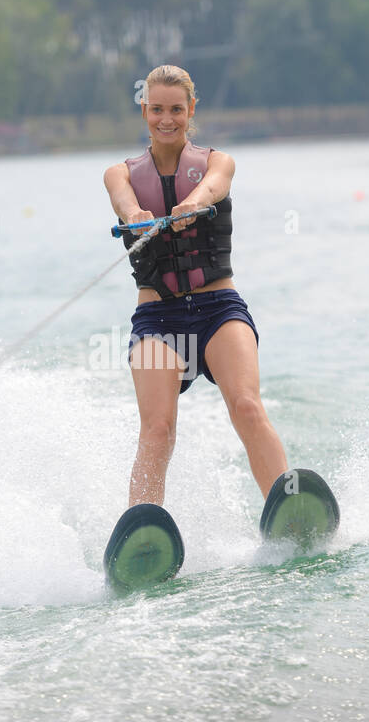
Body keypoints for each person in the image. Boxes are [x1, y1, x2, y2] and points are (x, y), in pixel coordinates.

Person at [102, 64, 288, 510]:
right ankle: (142, 530)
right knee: (158, 428)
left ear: (191, 111)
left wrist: (193, 203)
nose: (167, 119)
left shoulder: (217, 162)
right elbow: (124, 202)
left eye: (177, 110)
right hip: (157, 319)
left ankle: (287, 506)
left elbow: (214, 187)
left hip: (218, 308)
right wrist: (135, 216)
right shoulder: (119, 174)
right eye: (158, 109)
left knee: (245, 405)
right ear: (144, 110)